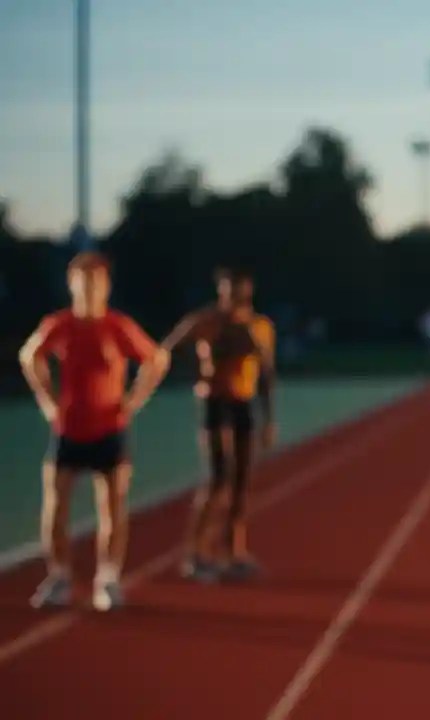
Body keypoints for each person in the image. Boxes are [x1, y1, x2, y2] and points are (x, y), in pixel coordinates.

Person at [18, 251, 170, 611]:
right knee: (55, 507)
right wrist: (46, 399)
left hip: (110, 430)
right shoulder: (60, 324)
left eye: (97, 280)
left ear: (106, 285)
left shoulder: (117, 326)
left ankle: (108, 578)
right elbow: (30, 356)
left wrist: (135, 399)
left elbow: (157, 359)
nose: (89, 286)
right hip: (68, 430)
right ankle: (59, 577)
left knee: (113, 508)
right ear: (71, 284)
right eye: (82, 280)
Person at [163, 266, 276, 582]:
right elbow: (168, 349)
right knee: (216, 477)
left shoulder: (261, 326)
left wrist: (269, 418)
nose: (232, 296)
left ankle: (233, 552)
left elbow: (267, 373)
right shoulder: (205, 321)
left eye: (238, 289)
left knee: (241, 480)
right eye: (227, 289)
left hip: (244, 402)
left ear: (248, 290)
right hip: (214, 402)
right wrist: (193, 373)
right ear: (220, 291)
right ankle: (196, 554)